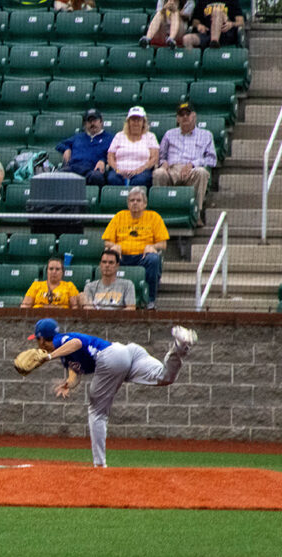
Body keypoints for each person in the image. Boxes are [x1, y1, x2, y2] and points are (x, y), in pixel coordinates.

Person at [27, 317, 197, 467]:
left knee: (96, 412)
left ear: (42, 339)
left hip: (110, 358)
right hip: (128, 353)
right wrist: (68, 384)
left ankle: (99, 465)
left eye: (37, 339)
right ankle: (180, 346)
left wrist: (49, 357)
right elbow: (75, 373)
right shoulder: (65, 355)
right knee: (164, 377)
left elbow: (76, 343)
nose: (37, 343)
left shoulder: (60, 339)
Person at [102, 186, 169, 308]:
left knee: (153, 259)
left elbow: (163, 244)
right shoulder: (119, 216)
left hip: (143, 257)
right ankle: (110, 298)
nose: (135, 203)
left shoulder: (154, 217)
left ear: (145, 203)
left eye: (138, 200)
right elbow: (107, 242)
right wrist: (115, 245)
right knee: (109, 257)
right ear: (128, 204)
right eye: (132, 200)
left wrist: (152, 246)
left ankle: (150, 300)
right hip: (122, 257)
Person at [153, 102, 217, 226]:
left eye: (188, 114)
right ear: (177, 118)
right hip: (172, 170)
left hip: (192, 171)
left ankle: (196, 214)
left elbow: (212, 159)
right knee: (158, 173)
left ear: (194, 116)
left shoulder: (206, 135)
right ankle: (160, 216)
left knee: (202, 172)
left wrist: (192, 164)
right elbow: (162, 156)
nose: (185, 117)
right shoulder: (169, 134)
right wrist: (164, 164)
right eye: (181, 115)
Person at [56, 108, 114, 187]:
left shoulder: (109, 138)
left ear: (101, 122)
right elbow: (60, 145)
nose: (92, 123)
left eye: (95, 120)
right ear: (85, 124)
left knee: (96, 177)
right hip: (74, 168)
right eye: (89, 121)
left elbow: (115, 154)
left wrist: (104, 161)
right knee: (58, 176)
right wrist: (66, 149)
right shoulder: (78, 137)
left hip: (92, 169)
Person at [107, 107, 159, 188]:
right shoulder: (119, 135)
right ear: (128, 122)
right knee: (112, 178)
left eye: (139, 120)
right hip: (119, 171)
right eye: (133, 120)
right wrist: (117, 170)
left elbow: (154, 158)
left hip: (142, 171)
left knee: (139, 181)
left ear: (143, 122)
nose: (136, 122)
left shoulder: (150, 136)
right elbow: (110, 157)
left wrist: (140, 170)